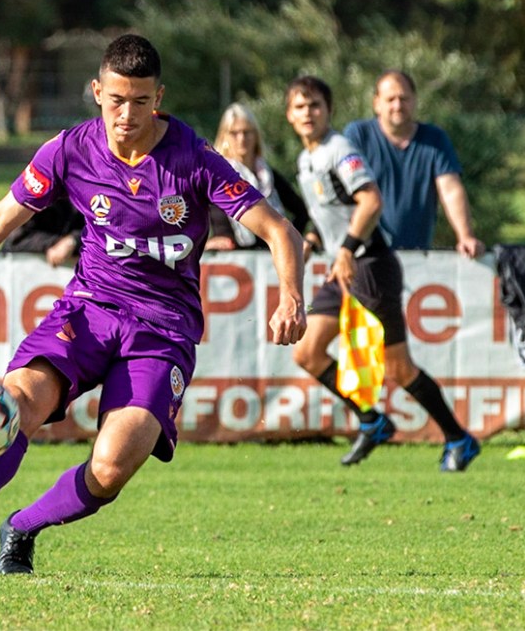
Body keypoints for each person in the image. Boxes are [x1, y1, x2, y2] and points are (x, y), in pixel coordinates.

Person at [0, 35, 307, 575]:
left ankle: (23, 525)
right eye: (117, 100)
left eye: (141, 102)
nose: (127, 115)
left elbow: (279, 230)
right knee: (15, 400)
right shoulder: (70, 150)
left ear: (159, 97)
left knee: (111, 467)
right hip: (89, 309)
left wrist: (291, 296)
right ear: (98, 91)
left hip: (163, 330)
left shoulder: (195, 160)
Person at [284, 74, 480, 471]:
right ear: (289, 115)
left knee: (398, 368)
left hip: (370, 265)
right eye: (300, 107)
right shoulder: (307, 158)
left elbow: (371, 201)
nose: (308, 113)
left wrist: (345, 249)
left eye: (316, 106)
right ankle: (372, 420)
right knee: (307, 353)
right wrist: (309, 241)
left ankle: (459, 438)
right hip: (345, 267)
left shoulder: (339, 149)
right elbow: (329, 214)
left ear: (329, 111)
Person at [343, 70, 483, 258]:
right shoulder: (358, 135)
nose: (398, 105)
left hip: (417, 256)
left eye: (404, 98)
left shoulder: (435, 140)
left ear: (415, 100)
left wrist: (465, 236)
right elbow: (341, 191)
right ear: (376, 103)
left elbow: (450, 190)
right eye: (390, 99)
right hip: (365, 255)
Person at [205, 103, 310, 251]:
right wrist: (206, 243)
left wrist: (289, 239)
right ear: (224, 136)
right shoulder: (216, 177)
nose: (241, 138)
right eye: (234, 133)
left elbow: (302, 212)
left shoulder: (269, 175)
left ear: (256, 135)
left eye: (247, 132)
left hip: (272, 259)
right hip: (231, 261)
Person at [1, 201, 85, 266]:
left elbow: (93, 229)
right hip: (19, 271)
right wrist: (55, 243)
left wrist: (73, 241)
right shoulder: (35, 192)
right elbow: (16, 241)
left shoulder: (85, 190)